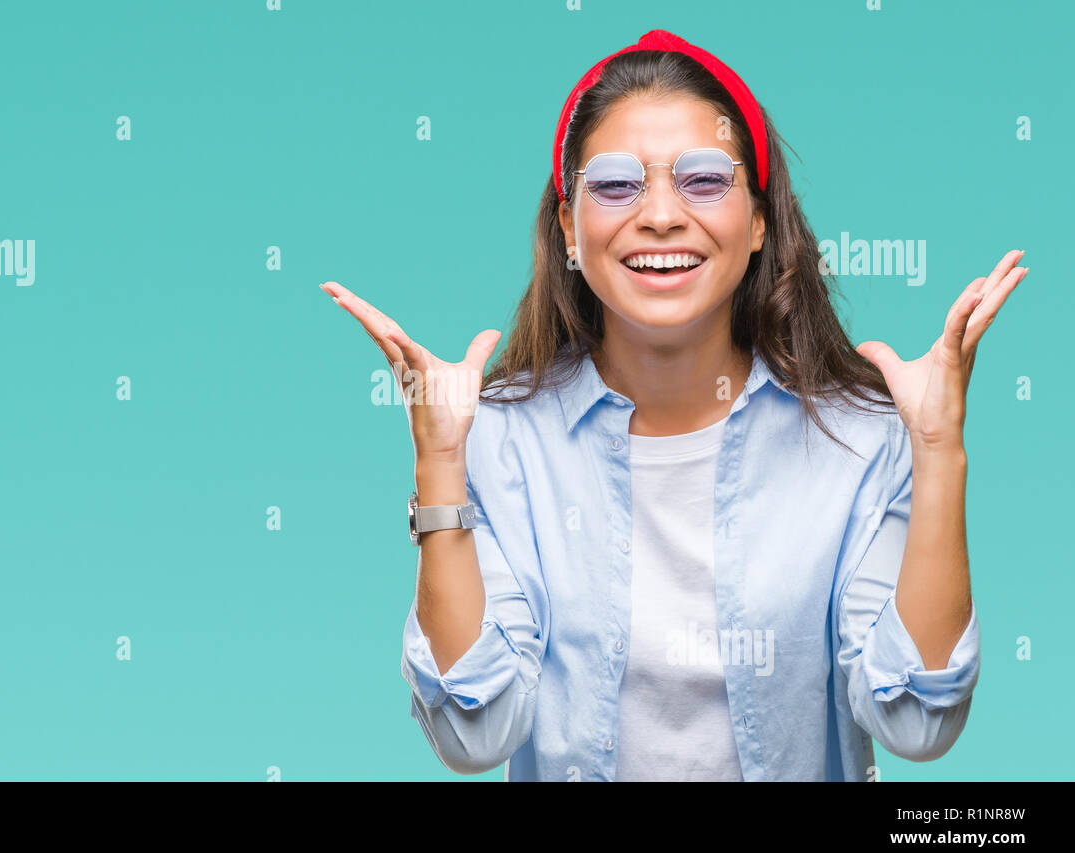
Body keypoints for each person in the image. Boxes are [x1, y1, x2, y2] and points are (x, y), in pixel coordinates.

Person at [320, 30, 1027, 781]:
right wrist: (440, 466)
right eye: (617, 184)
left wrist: (939, 453)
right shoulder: (497, 441)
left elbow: (917, 720)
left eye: (704, 180)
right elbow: (474, 734)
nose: (660, 215)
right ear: (568, 227)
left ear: (759, 221)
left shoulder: (860, 439)